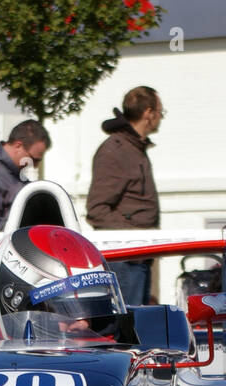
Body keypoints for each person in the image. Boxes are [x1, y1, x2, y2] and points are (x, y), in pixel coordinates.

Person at [86, 86, 161, 306]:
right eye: (160, 113)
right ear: (148, 113)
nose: (160, 119)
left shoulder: (133, 148)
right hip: (125, 261)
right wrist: (135, 236)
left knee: (137, 328)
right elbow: (97, 210)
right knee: (126, 329)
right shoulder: (116, 151)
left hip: (139, 258)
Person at [0, 120, 51, 230]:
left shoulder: (14, 175)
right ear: (18, 146)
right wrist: (27, 230)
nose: (35, 165)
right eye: (33, 159)